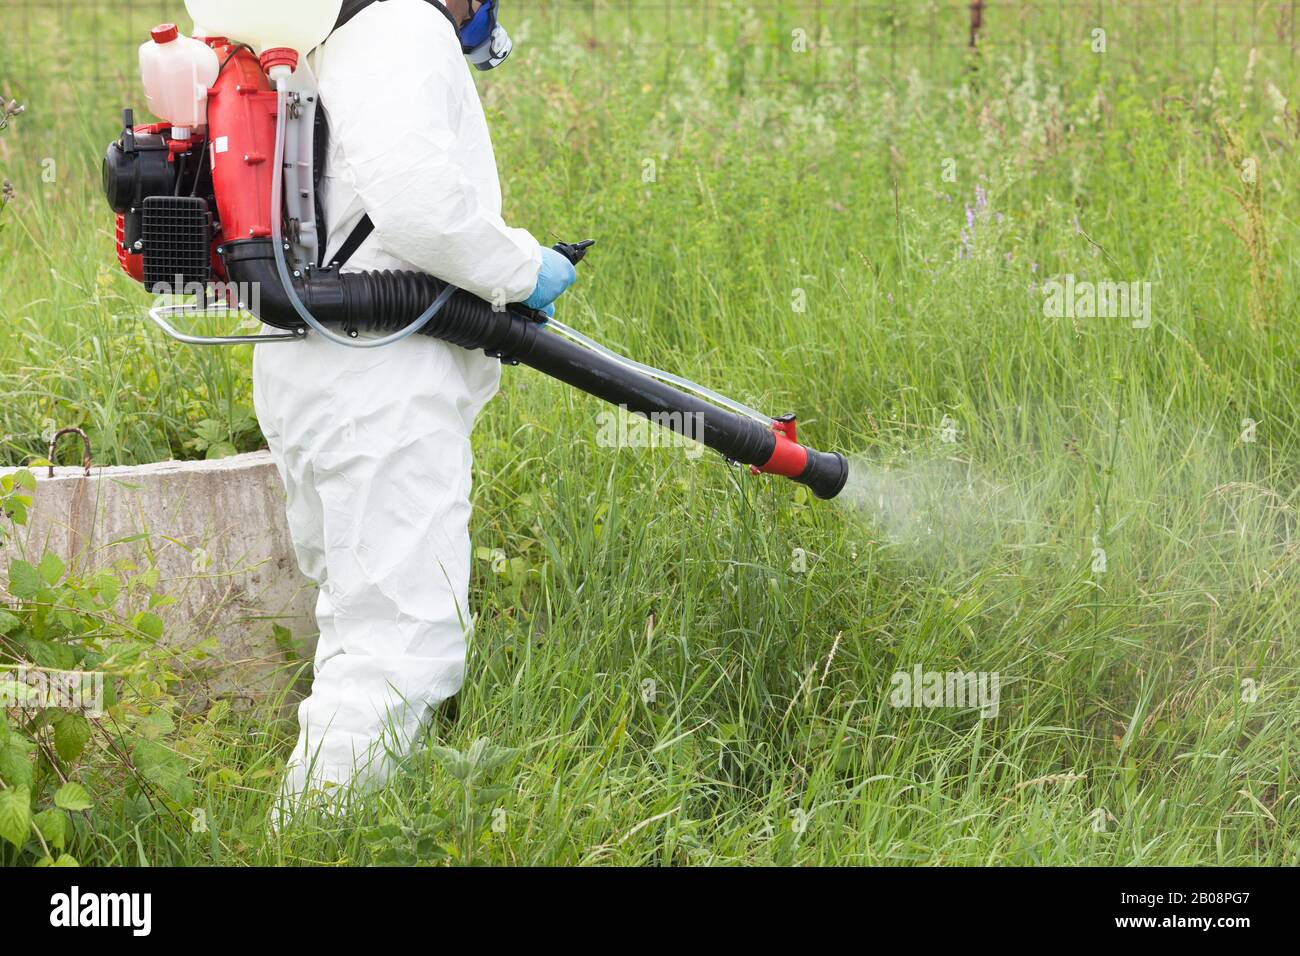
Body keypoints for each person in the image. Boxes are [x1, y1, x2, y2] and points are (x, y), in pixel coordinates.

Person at [252, 0, 575, 813]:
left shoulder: (323, 39)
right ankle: (320, 838)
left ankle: (363, 806)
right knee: (396, 643)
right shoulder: (403, 25)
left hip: (313, 364)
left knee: (356, 619)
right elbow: (423, 209)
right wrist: (521, 267)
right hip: (378, 374)